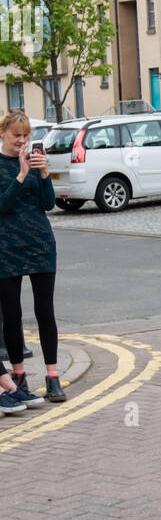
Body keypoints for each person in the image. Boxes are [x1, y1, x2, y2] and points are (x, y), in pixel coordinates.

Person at [0, 110, 66, 401]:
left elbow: (48, 204)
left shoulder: (34, 162)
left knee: (45, 312)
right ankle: (19, 374)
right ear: (2, 133)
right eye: (17, 135)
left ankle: (53, 376)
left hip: (40, 244)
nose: (23, 141)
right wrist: (22, 175)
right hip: (6, 249)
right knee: (12, 315)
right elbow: (3, 205)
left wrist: (44, 174)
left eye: (27, 136)